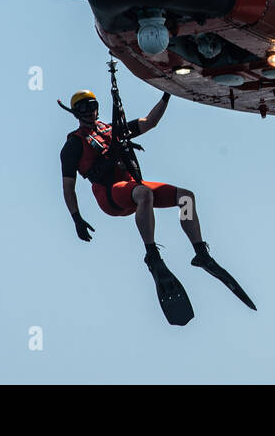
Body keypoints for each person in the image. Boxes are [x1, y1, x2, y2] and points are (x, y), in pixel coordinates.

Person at [58, 88, 255, 310]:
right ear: (76, 112)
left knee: (186, 197)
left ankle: (200, 252)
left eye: (92, 105)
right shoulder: (74, 144)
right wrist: (76, 218)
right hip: (109, 195)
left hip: (132, 187)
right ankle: (152, 254)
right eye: (84, 107)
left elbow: (149, 122)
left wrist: (167, 94)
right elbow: (68, 187)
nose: (90, 111)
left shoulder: (111, 130)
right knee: (144, 193)